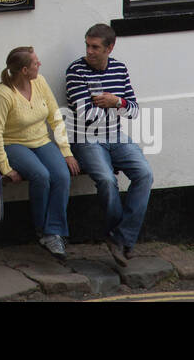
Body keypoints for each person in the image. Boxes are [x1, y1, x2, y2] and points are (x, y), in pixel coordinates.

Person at [63, 23, 154, 267]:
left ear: (110, 48)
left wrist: (115, 101)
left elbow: (134, 111)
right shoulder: (76, 71)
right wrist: (117, 107)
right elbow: (84, 115)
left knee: (144, 174)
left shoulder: (119, 69)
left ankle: (120, 238)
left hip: (116, 135)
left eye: (95, 47)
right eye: (87, 45)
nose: (89, 51)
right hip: (86, 139)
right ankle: (121, 237)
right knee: (106, 179)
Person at [0, 45, 80, 258]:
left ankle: (54, 232)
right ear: (24, 71)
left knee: (62, 175)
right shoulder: (3, 95)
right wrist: (5, 167)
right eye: (35, 62)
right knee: (41, 176)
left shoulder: (40, 82)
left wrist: (66, 151)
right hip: (14, 144)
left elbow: (55, 117)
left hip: (41, 141)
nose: (39, 64)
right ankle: (43, 230)